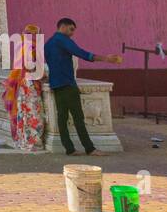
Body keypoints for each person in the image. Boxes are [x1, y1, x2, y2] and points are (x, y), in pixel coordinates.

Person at [43, 17, 122, 154]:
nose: (72, 33)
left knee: (62, 118)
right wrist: (105, 58)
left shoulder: (48, 43)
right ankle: (90, 149)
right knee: (78, 117)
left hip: (55, 84)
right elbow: (81, 53)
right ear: (63, 26)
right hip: (67, 83)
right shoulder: (63, 40)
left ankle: (69, 149)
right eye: (71, 29)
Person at [3, 23, 44, 151]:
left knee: (24, 113)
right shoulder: (31, 48)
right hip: (29, 85)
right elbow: (31, 67)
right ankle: (32, 142)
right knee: (33, 114)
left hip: (22, 85)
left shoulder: (20, 47)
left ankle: (23, 140)